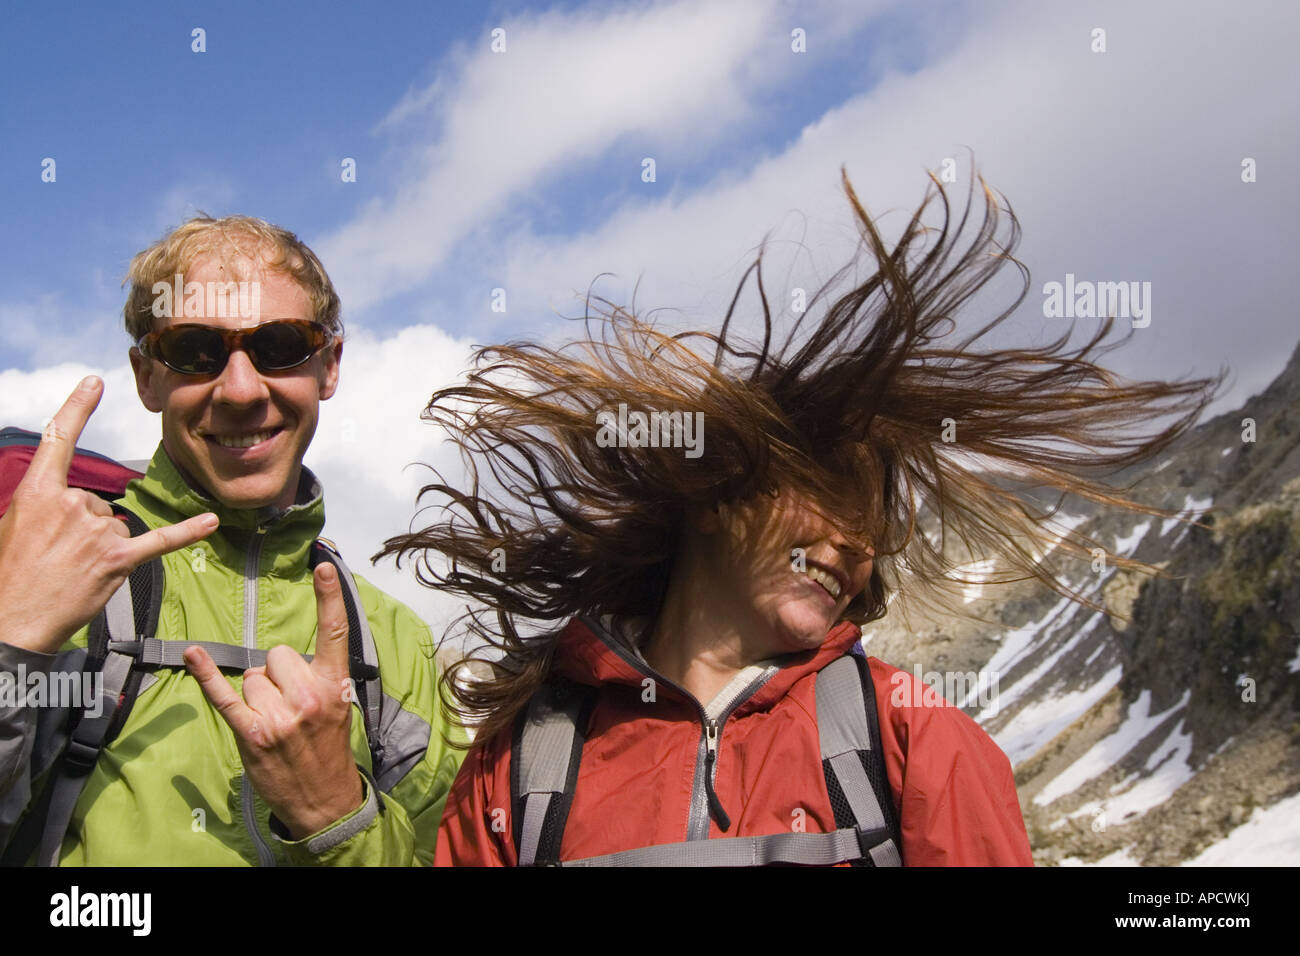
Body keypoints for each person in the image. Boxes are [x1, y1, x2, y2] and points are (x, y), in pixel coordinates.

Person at [381, 171, 1219, 866]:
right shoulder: (525, 764)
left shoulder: (917, 746)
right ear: (715, 494)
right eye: (832, 497)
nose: (858, 543)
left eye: (877, 529)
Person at [0, 216, 464, 865]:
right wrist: (11, 643)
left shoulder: (391, 642)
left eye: (280, 345)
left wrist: (337, 817)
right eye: (194, 351)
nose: (242, 389)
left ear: (329, 365)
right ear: (146, 378)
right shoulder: (42, 574)